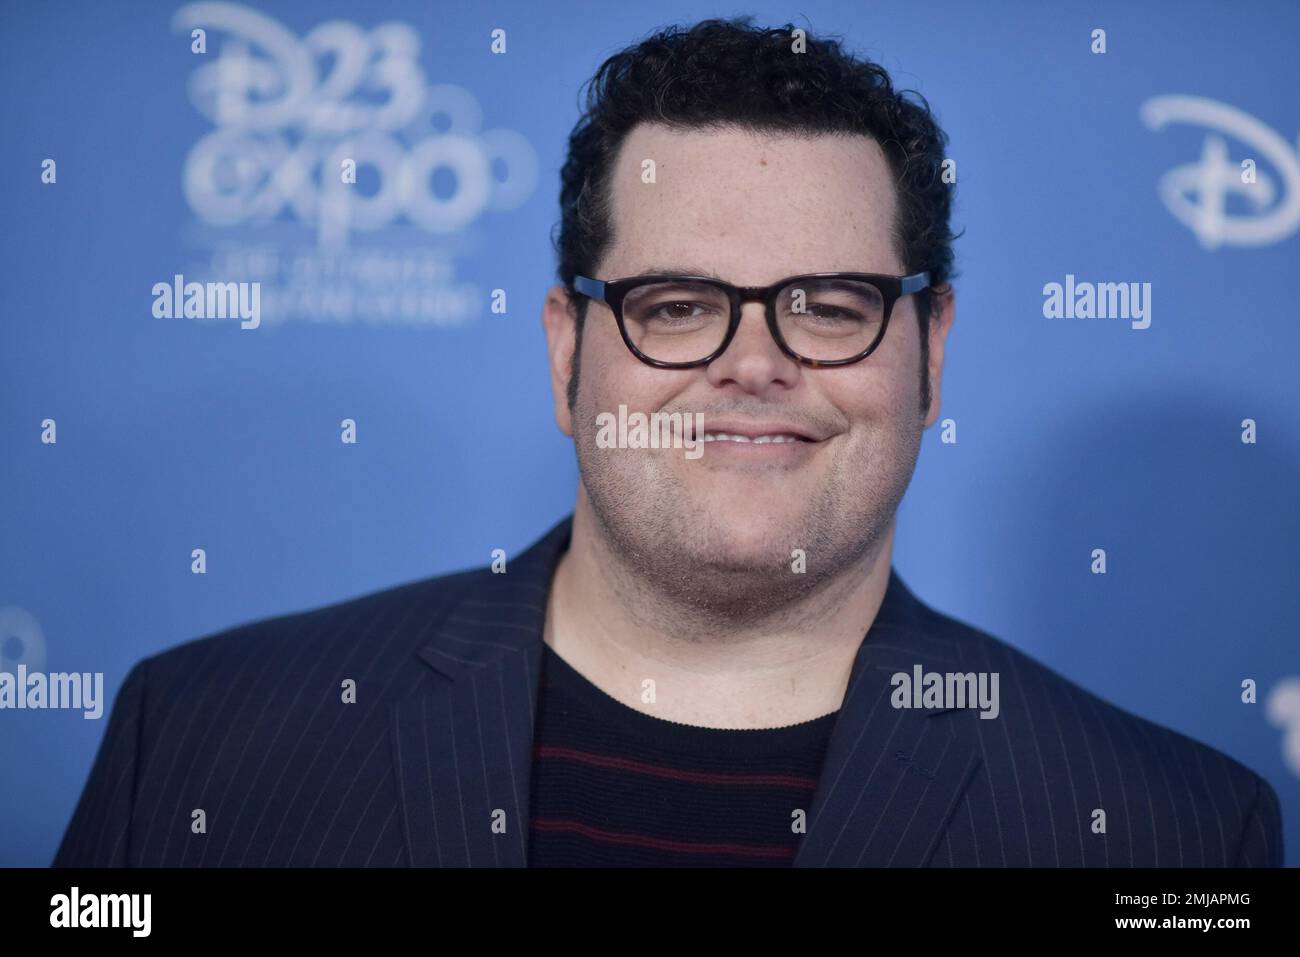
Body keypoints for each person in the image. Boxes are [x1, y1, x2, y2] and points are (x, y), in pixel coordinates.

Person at [53, 17, 1282, 868]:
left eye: (830, 306)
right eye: (679, 304)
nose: (753, 362)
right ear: (565, 353)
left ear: (931, 354)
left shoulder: (1168, 833)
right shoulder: (203, 738)